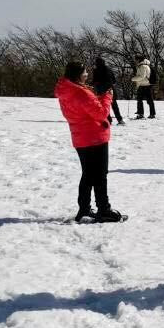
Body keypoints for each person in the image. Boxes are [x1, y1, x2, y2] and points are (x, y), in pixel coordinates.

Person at [55, 61, 123, 223]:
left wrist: (98, 98)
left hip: (80, 137)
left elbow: (86, 107)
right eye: (85, 72)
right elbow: (100, 113)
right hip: (95, 137)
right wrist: (107, 97)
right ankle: (104, 209)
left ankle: (84, 208)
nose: (87, 75)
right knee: (100, 175)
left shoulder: (66, 90)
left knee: (88, 175)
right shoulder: (80, 92)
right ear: (78, 74)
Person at [91, 57, 124, 127]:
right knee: (114, 105)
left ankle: (108, 120)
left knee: (104, 106)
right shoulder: (109, 69)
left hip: (101, 90)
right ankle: (120, 119)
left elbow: (94, 81)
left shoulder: (96, 70)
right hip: (110, 90)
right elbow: (114, 80)